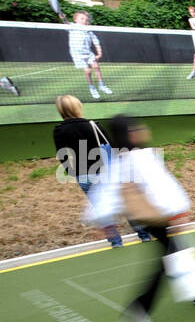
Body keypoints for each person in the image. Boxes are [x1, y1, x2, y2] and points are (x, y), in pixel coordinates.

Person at [96, 116, 195, 322]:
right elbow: (162, 188)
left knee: (178, 250)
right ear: (131, 134)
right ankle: (139, 309)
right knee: (167, 259)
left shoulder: (122, 158)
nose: (143, 129)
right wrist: (178, 212)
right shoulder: (141, 158)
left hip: (147, 218)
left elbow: (107, 190)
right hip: (161, 215)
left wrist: (103, 220)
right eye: (137, 127)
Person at [52, 94, 149, 247]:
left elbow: (62, 155)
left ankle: (115, 241)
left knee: (100, 206)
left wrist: (71, 171)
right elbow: (112, 146)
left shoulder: (59, 130)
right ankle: (143, 234)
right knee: (126, 201)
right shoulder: (93, 125)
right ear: (77, 107)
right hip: (106, 170)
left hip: (83, 173)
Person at [68, 11, 112, 100]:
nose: (84, 20)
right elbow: (65, 22)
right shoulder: (72, 27)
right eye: (82, 18)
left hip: (88, 53)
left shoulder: (89, 30)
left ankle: (101, 85)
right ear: (75, 20)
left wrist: (99, 52)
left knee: (96, 67)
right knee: (88, 71)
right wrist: (62, 17)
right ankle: (92, 88)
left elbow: (96, 42)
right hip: (77, 54)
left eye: (86, 19)